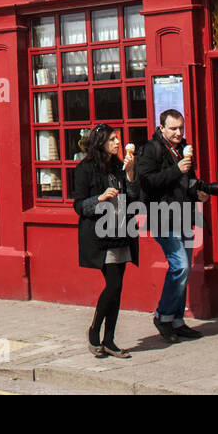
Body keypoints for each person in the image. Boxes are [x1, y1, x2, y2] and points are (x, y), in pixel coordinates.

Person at [136, 109, 218, 343]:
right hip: (162, 216)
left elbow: (188, 181)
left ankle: (176, 320)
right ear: (161, 128)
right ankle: (162, 315)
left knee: (181, 270)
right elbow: (146, 181)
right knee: (181, 266)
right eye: (173, 129)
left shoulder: (183, 149)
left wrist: (199, 192)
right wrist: (177, 170)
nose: (178, 133)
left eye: (181, 128)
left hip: (184, 214)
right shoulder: (151, 150)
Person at [73, 124, 140, 359]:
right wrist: (99, 198)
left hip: (121, 230)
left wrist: (130, 174)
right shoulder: (85, 169)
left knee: (118, 288)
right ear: (100, 142)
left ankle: (109, 340)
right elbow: (79, 205)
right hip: (101, 235)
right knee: (113, 285)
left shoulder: (118, 166)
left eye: (118, 139)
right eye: (112, 139)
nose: (117, 143)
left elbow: (132, 198)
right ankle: (94, 331)